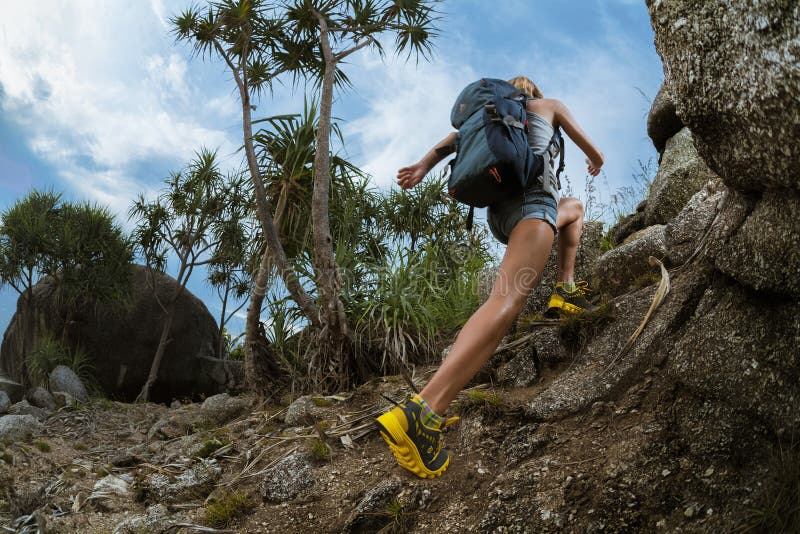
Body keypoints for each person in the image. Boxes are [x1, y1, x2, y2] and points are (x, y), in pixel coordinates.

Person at [375, 76, 605, 479]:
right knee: (504, 303)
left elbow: (450, 140)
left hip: (500, 213)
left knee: (573, 208)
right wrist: (596, 160)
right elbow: (592, 149)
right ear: (533, 93)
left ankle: (564, 289)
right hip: (532, 205)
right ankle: (422, 412)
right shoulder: (549, 106)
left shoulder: (491, 116)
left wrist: (423, 167)